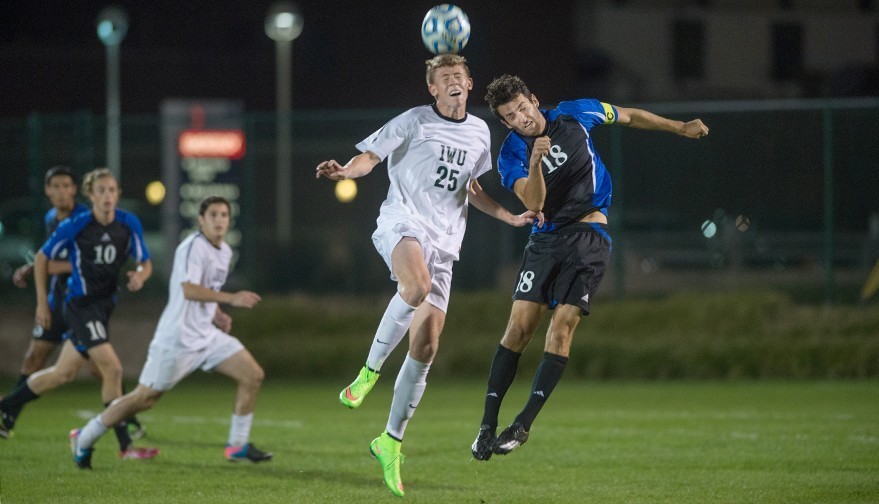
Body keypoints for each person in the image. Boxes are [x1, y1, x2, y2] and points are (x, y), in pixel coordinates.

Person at [315, 54, 539, 497]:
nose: (453, 82)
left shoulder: (480, 132)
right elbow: (369, 157)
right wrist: (346, 170)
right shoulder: (413, 121)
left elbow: (471, 190)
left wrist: (511, 218)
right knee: (414, 286)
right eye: (444, 78)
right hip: (402, 224)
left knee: (427, 343)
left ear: (470, 84)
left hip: (445, 246)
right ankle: (368, 373)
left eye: (459, 76)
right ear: (432, 90)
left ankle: (390, 442)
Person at [470, 74, 709, 460]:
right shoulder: (511, 155)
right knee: (518, 329)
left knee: (562, 326)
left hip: (588, 236)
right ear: (506, 123)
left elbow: (629, 116)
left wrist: (679, 127)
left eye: (523, 107)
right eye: (512, 116)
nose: (522, 118)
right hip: (546, 239)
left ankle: (523, 423)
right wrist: (536, 162)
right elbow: (533, 202)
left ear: (534, 99)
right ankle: (486, 426)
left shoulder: (576, 114)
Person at [70, 196, 271, 469]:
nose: (220, 220)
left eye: (224, 215)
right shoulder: (192, 247)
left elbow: (205, 289)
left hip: (207, 337)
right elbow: (188, 289)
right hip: (177, 339)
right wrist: (231, 299)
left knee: (252, 375)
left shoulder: (224, 251)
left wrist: (217, 314)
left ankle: (237, 445)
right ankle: (85, 436)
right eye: (213, 214)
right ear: (201, 219)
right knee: (143, 399)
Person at [0, 168, 156, 461]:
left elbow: (145, 262)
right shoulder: (78, 224)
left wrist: (140, 277)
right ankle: (123, 446)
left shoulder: (128, 223)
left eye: (112, 190)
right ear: (90, 195)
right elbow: (44, 257)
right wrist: (42, 305)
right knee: (113, 369)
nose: (107, 196)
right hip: (80, 306)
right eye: (101, 191)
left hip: (103, 306)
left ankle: (7, 406)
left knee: (63, 373)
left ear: (118, 194)